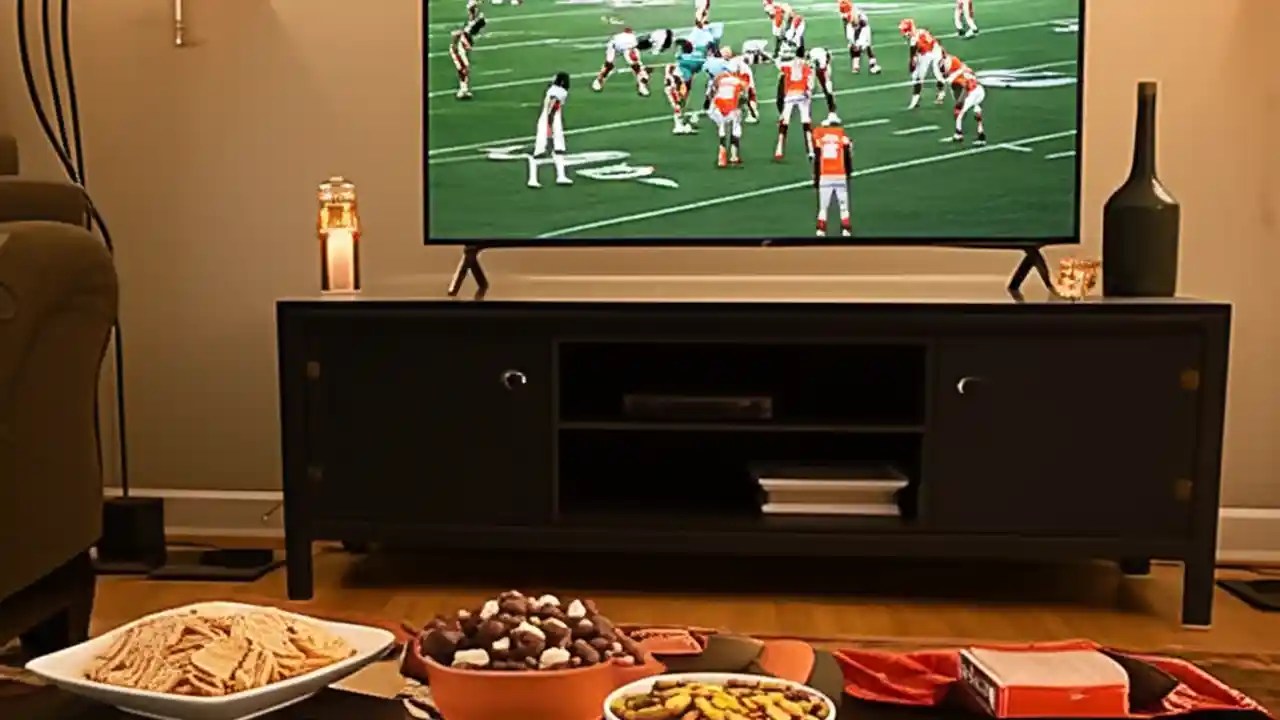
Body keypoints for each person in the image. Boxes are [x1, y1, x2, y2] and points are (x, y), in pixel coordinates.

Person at [527, 72, 574, 188]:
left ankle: (561, 176)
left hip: (552, 123)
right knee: (540, 152)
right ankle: (532, 178)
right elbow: (552, 108)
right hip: (550, 123)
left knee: (558, 150)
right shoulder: (560, 92)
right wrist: (549, 128)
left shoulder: (553, 89)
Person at [811, 116, 854, 236]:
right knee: (843, 205)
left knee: (823, 206)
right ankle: (846, 229)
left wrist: (816, 177)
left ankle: (821, 229)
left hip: (826, 174)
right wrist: (848, 174)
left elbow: (817, 159)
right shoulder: (843, 138)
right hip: (840, 174)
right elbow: (847, 158)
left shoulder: (821, 139)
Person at [774, 49, 815, 161]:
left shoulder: (788, 65)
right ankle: (810, 150)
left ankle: (779, 148)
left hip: (790, 95)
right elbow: (811, 85)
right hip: (802, 95)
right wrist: (809, 94)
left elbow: (777, 63)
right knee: (806, 122)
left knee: (785, 122)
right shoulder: (807, 67)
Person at [899, 18, 947, 110]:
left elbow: (913, 56)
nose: (903, 33)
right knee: (926, 75)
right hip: (930, 51)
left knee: (923, 76)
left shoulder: (914, 39)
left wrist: (912, 64)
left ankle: (916, 100)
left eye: (905, 30)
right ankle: (938, 93)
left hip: (930, 53)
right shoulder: (921, 31)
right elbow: (935, 41)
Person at [592, 28, 651, 96]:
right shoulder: (632, 42)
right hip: (614, 47)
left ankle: (642, 86)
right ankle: (598, 80)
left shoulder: (632, 42)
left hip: (623, 46)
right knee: (609, 65)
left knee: (636, 67)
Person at [708, 70, 748, 167]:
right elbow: (743, 97)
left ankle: (722, 155)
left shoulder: (720, 80)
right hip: (731, 107)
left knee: (722, 127)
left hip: (717, 107)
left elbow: (711, 94)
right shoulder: (739, 82)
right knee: (736, 127)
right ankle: (734, 155)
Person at [449, 15, 487, 100]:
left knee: (464, 69)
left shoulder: (468, 33)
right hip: (458, 51)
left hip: (460, 51)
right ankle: (462, 90)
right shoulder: (467, 34)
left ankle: (464, 89)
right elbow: (457, 38)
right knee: (463, 69)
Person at [838, 0, 881, 74]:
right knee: (853, 46)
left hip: (862, 28)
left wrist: (856, 40)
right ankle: (856, 65)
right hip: (853, 27)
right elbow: (846, 24)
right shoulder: (845, 12)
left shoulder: (856, 14)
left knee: (865, 46)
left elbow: (860, 27)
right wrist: (850, 39)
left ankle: (872, 65)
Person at [951, 67, 987, 145]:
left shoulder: (964, 77)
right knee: (977, 108)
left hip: (973, 93)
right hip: (981, 91)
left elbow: (967, 88)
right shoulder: (969, 73)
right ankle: (981, 134)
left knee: (959, 113)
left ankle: (958, 134)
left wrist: (959, 104)